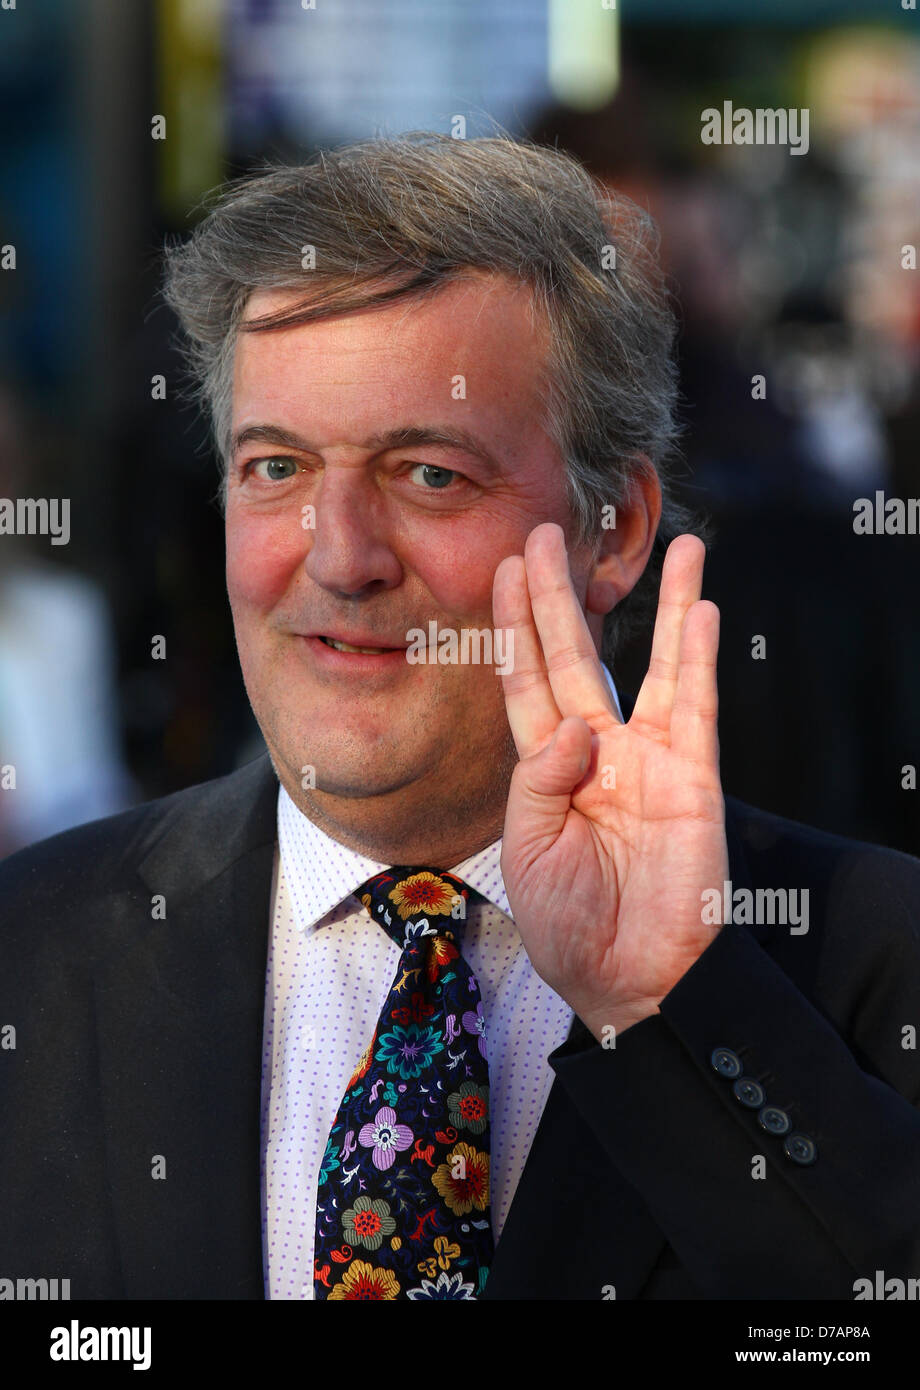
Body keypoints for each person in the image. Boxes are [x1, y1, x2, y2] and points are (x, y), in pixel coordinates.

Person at [2, 133, 919, 1302]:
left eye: (427, 474)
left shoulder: (867, 953)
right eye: (276, 468)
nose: (339, 557)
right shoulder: (31, 956)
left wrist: (674, 1007)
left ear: (614, 529)